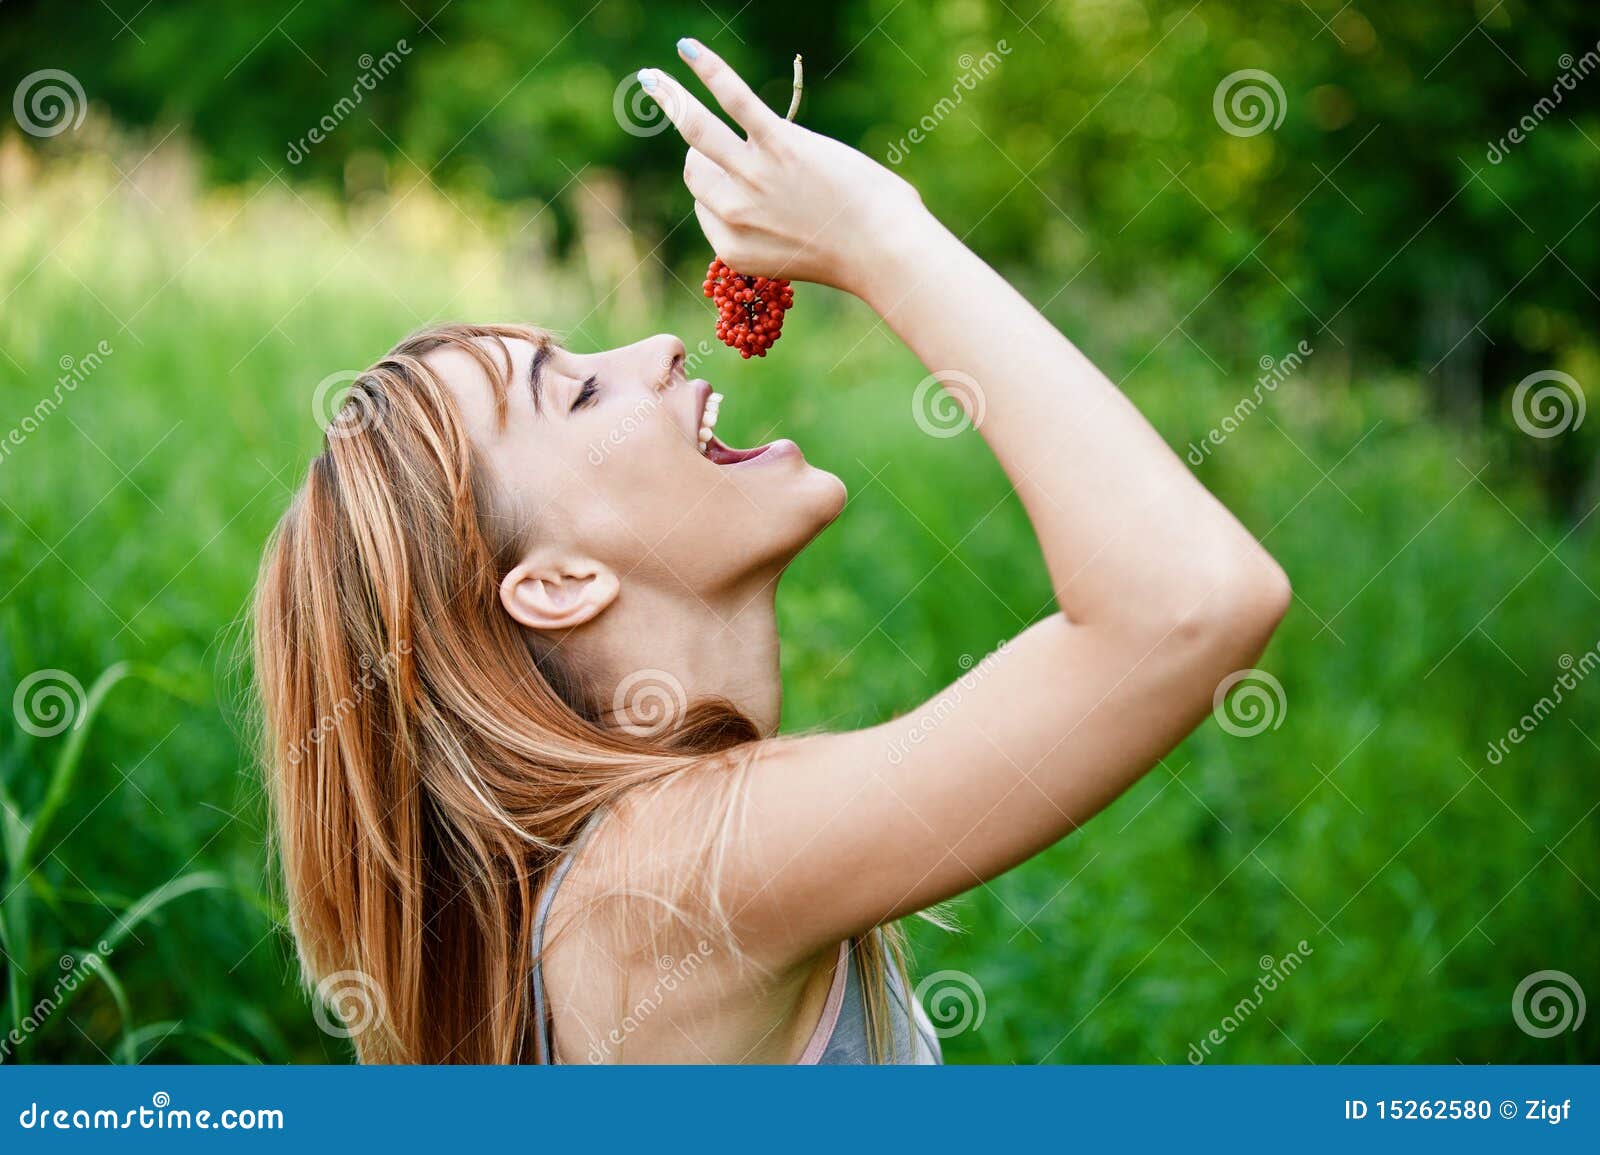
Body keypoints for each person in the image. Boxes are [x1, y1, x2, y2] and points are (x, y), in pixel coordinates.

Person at [252, 39, 1290, 1064]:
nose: (657, 347)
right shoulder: (663, 876)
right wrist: (880, 236)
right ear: (557, 583)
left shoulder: (635, 873)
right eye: (575, 391)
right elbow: (1189, 600)